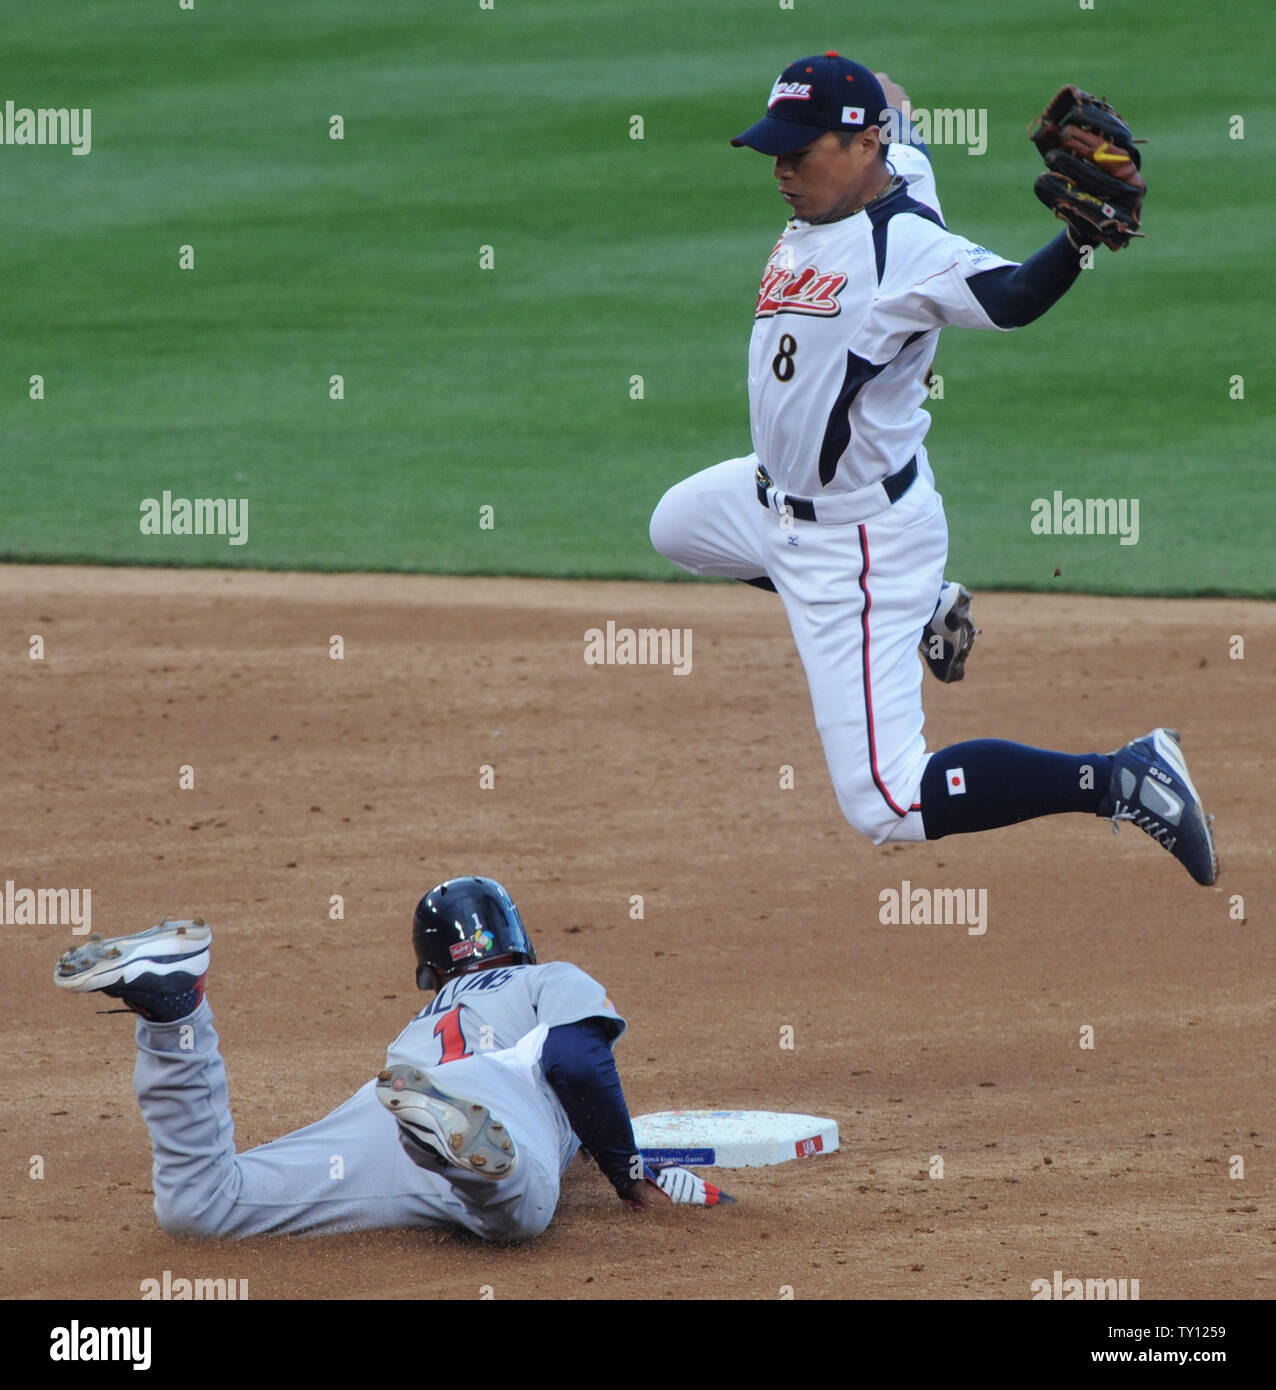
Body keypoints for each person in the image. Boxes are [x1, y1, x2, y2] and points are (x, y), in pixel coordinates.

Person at [648, 53, 1216, 886]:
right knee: (674, 526)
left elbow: (1014, 298)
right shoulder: (893, 160)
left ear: (860, 146)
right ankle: (922, 611)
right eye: (776, 150)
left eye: (799, 153)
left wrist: (1075, 240)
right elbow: (897, 106)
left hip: (858, 538)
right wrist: (864, 87)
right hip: (764, 501)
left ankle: (1123, 776)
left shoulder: (905, 250)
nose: (781, 171)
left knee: (886, 802)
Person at [52, 877, 732, 1241]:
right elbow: (579, 1065)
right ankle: (465, 1155)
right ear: (520, 941)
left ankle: (176, 1012)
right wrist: (631, 1175)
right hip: (497, 1100)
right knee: (522, 1213)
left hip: (384, 1108)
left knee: (204, 1206)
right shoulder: (546, 977)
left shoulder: (427, 1016)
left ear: (431, 970)